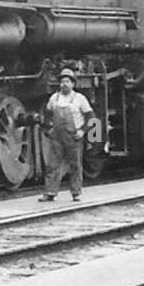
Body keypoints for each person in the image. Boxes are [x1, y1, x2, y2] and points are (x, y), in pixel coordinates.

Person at [39, 68, 95, 202]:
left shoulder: (80, 99)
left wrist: (83, 131)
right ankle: (50, 192)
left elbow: (91, 117)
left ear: (73, 84)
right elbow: (47, 114)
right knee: (52, 165)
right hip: (57, 137)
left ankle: (76, 192)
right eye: (62, 81)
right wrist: (49, 129)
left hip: (73, 137)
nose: (64, 84)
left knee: (75, 165)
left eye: (67, 82)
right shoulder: (54, 98)